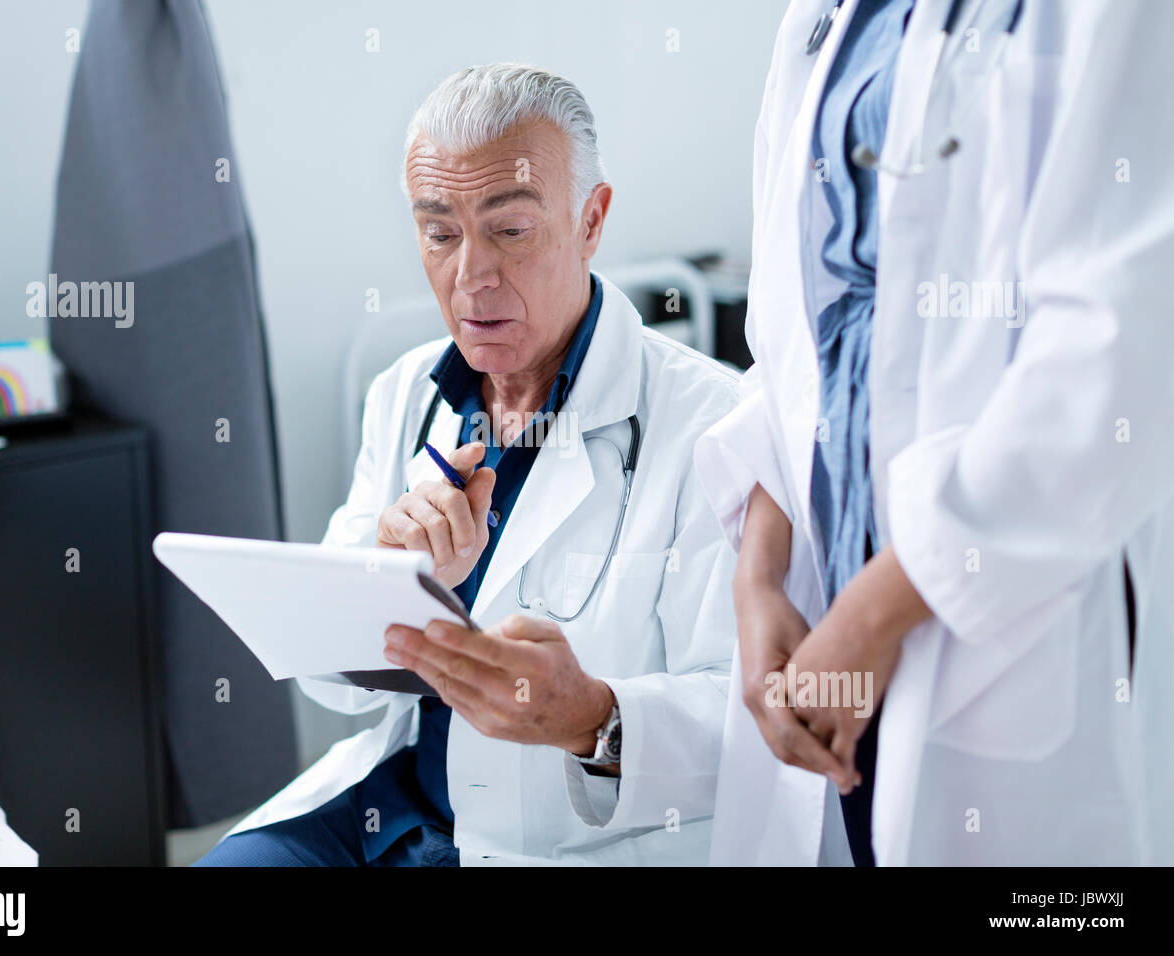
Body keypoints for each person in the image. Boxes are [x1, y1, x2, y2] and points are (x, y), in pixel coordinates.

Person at [197, 63, 742, 866]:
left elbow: (756, 718)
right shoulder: (406, 391)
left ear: (591, 220)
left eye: (510, 229)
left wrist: (593, 716)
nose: (470, 275)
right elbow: (333, 682)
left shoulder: (717, 427)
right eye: (440, 231)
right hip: (392, 810)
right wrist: (385, 580)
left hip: (570, 842)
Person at [695, 0, 1174, 865]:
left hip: (995, 612)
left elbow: (1119, 349)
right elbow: (793, 333)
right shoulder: (822, 14)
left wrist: (877, 614)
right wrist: (760, 578)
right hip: (816, 618)